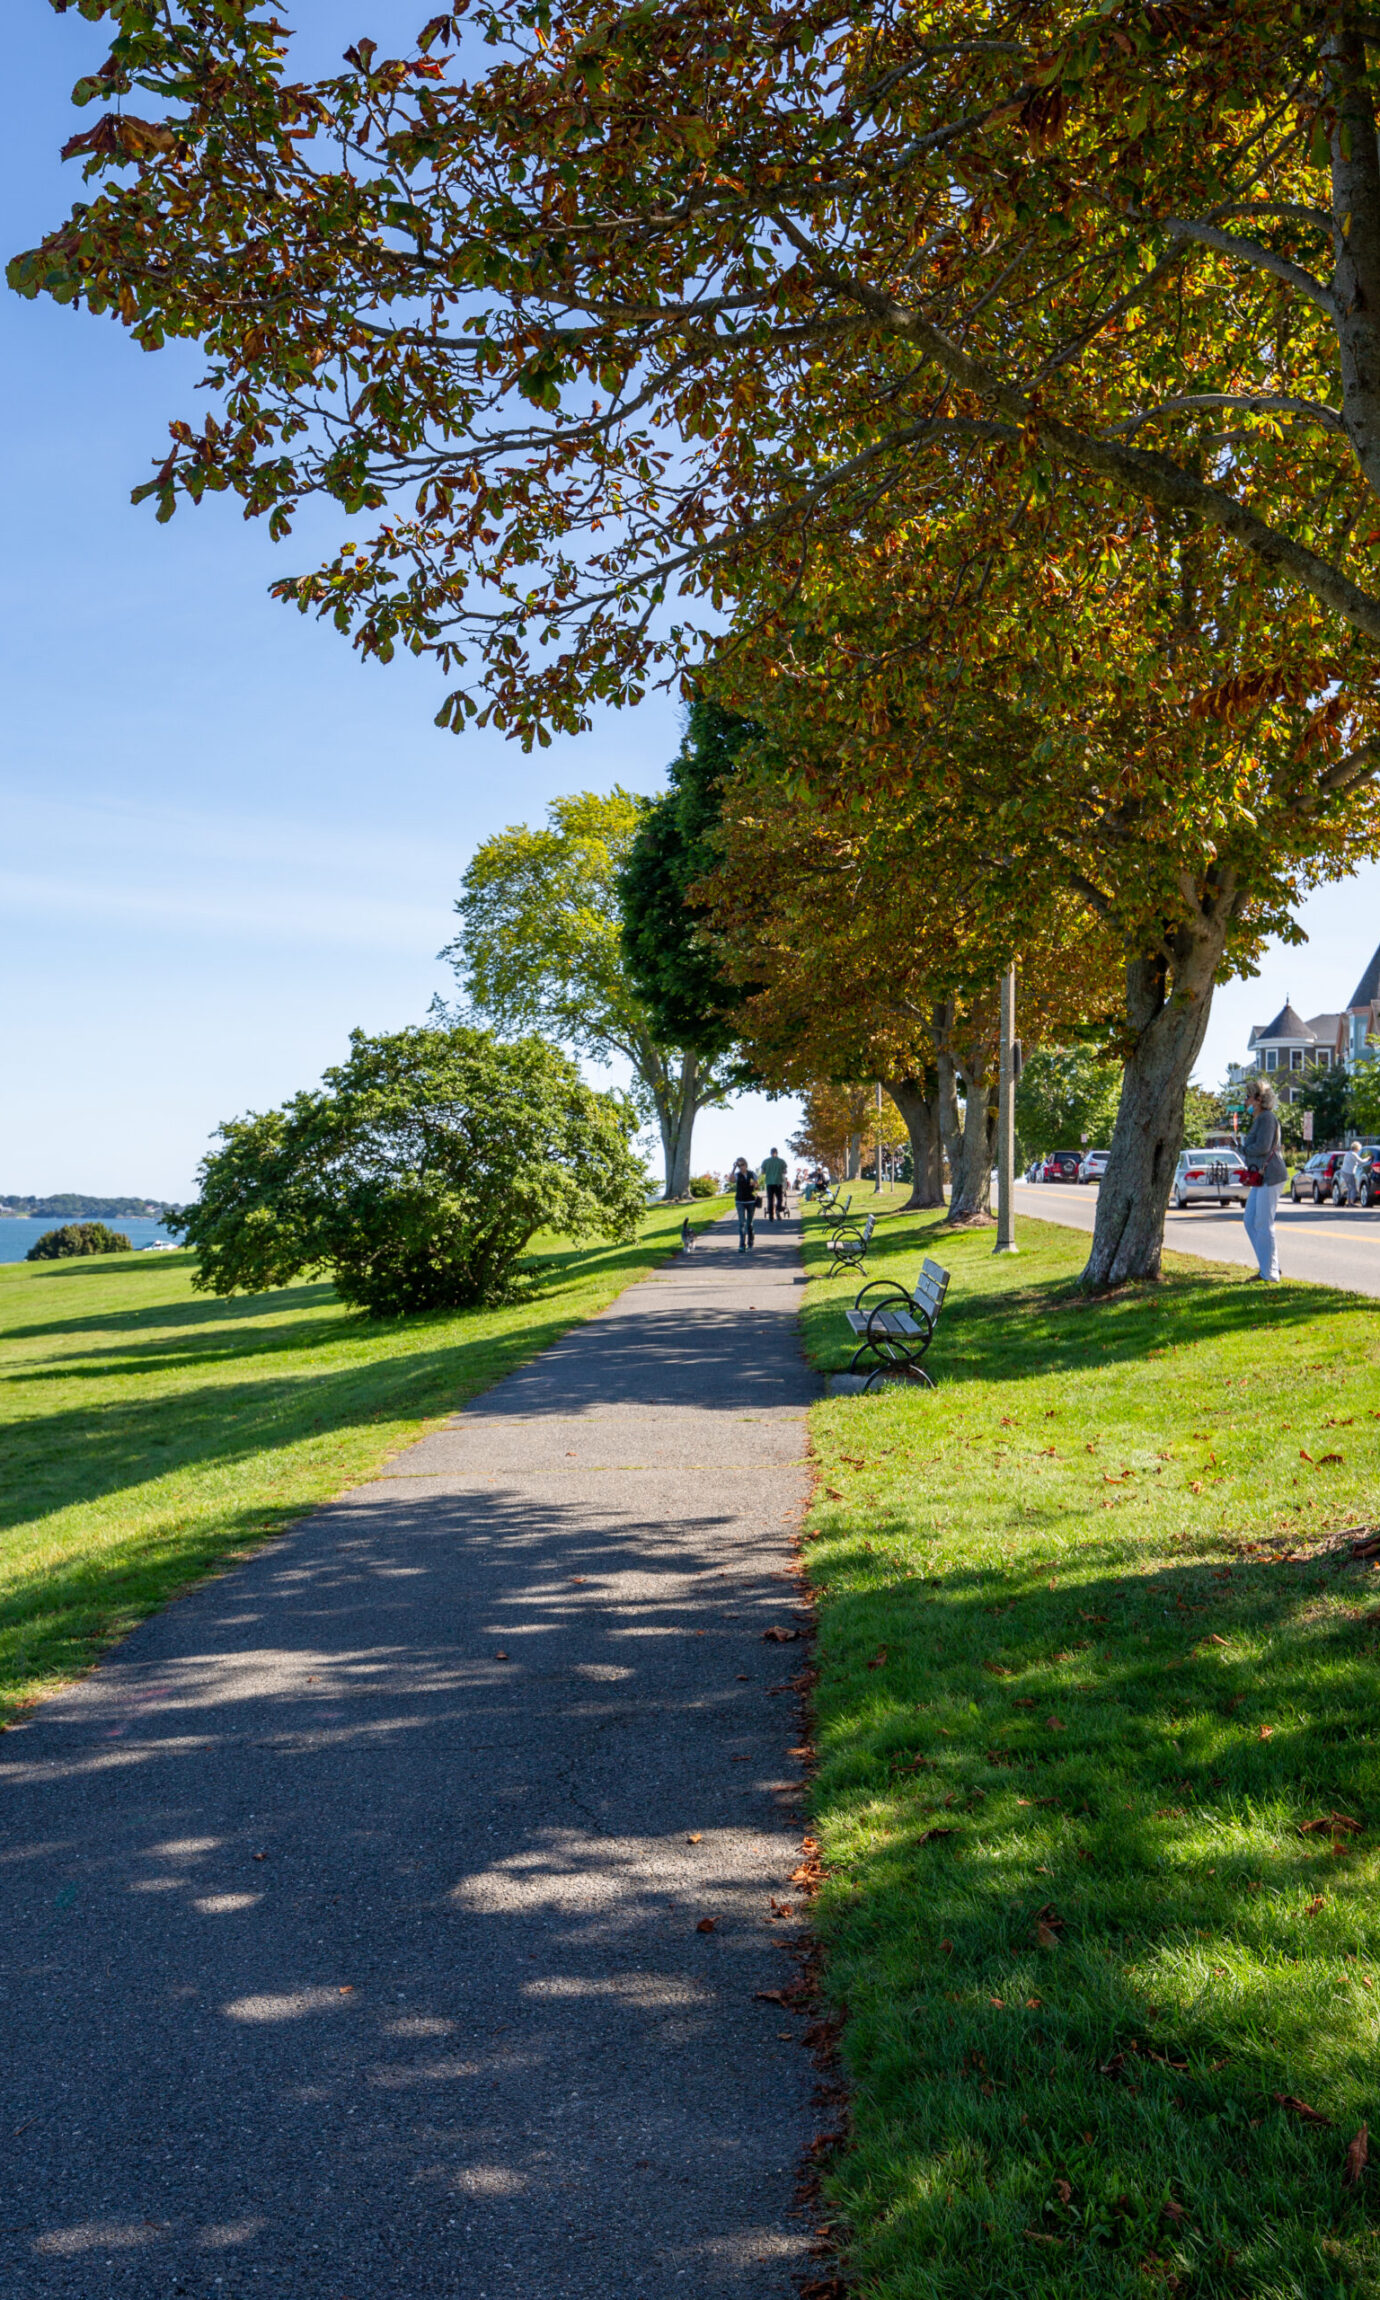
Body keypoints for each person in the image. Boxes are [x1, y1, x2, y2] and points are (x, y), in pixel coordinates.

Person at [1240, 1078, 1288, 1281]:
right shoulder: (1259, 1119)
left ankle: (1269, 1274)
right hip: (1261, 1176)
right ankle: (1269, 1267)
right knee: (1250, 1221)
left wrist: (1243, 1149)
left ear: (1258, 1099)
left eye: (1248, 1097)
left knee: (1263, 1223)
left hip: (1271, 1174)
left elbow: (1263, 1147)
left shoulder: (1267, 1118)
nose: (1245, 1102)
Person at [732, 1156, 760, 1252]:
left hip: (751, 1201)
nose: (741, 1167)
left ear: (746, 1165)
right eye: (739, 1165)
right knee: (741, 1223)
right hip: (740, 1201)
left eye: (742, 1164)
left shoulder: (752, 1174)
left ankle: (750, 1243)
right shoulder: (737, 1175)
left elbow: (757, 1185)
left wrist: (754, 1184)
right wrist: (733, 1168)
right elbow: (731, 1180)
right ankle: (741, 1245)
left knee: (749, 1224)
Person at [761, 1145, 787, 1222]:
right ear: (777, 1153)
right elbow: (785, 1171)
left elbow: (762, 1172)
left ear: (770, 1153)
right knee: (780, 1198)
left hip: (769, 1182)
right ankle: (778, 1209)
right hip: (778, 1182)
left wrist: (769, 1171)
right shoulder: (781, 1161)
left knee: (770, 1199)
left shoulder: (765, 1161)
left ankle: (771, 1216)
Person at [1341, 1138, 1364, 1206]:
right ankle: (1351, 1202)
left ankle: (1349, 1202)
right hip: (1349, 1172)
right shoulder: (1353, 1154)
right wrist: (1368, 1158)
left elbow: (1354, 1163)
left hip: (1344, 1171)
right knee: (1353, 1188)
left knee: (1349, 1188)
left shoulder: (1348, 1153)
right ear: (1357, 1148)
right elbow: (1361, 1161)